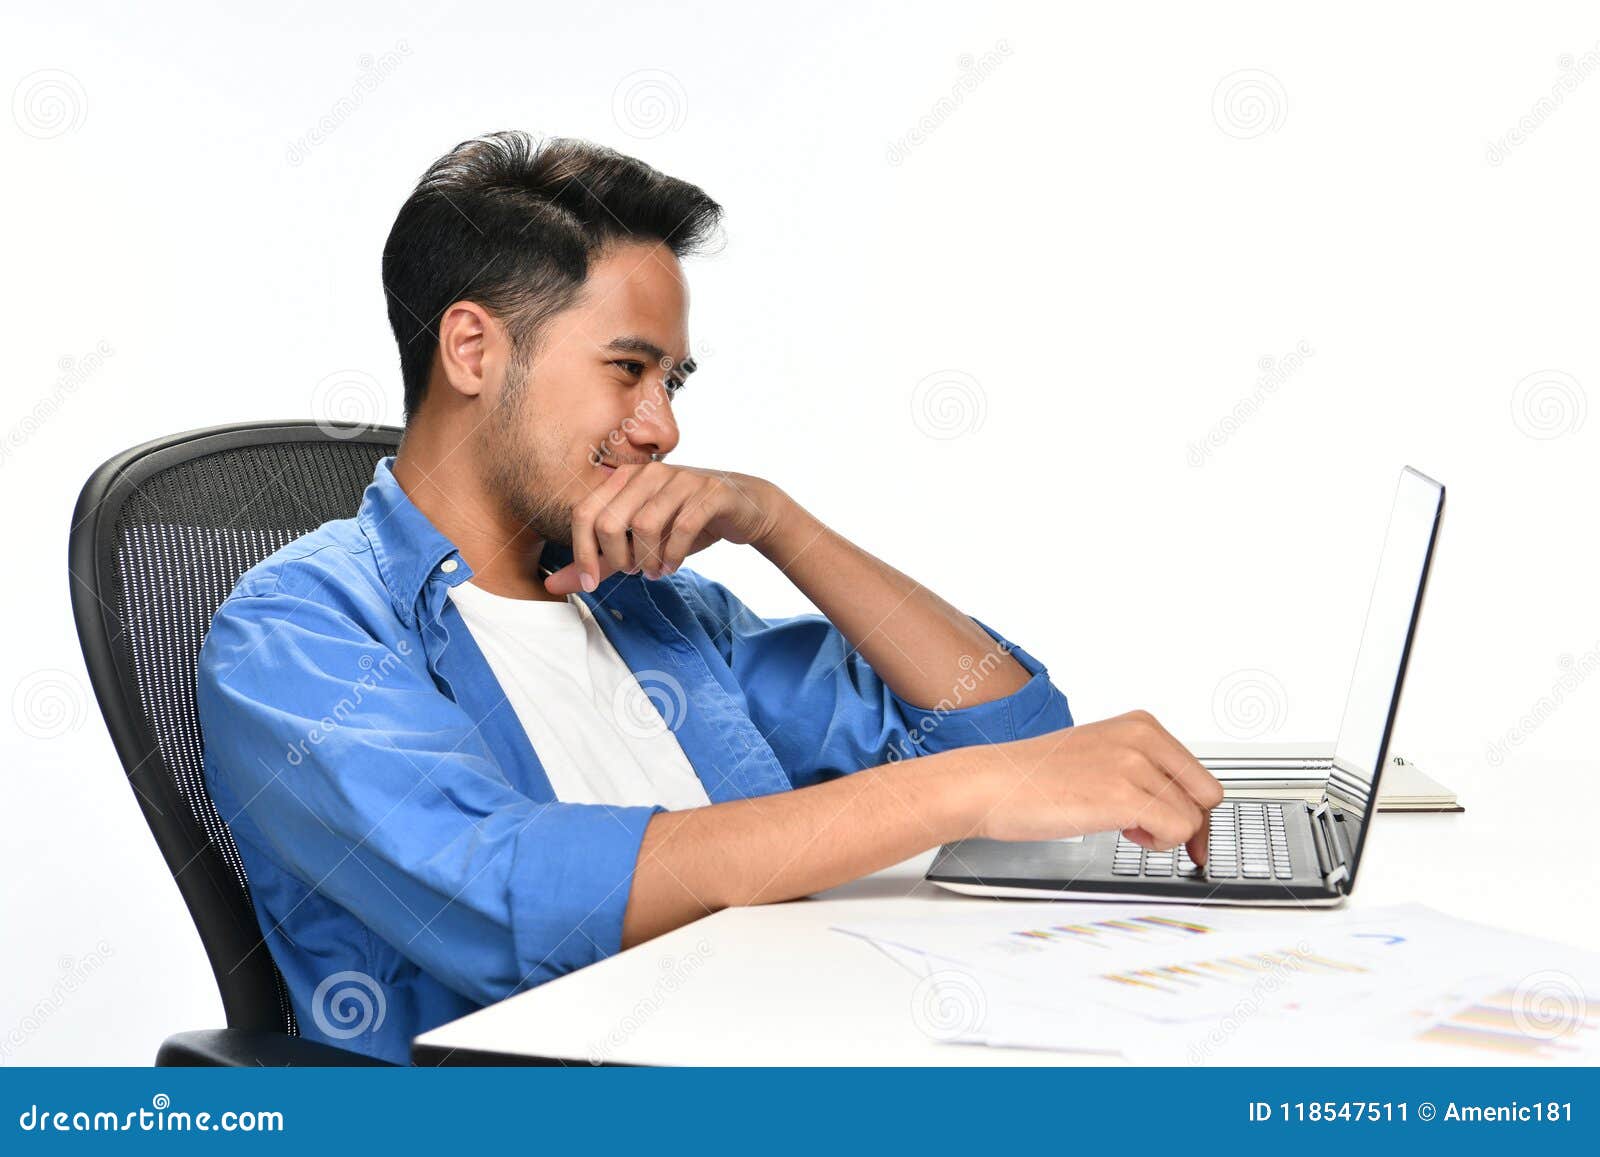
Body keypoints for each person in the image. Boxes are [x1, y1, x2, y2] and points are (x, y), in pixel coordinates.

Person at [197, 131, 1222, 1064]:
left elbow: (1004, 726)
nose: (662, 428)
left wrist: (779, 522)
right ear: (473, 350)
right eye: (627, 368)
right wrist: (968, 789)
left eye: (672, 382)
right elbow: (510, 899)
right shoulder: (296, 632)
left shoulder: (656, 607)